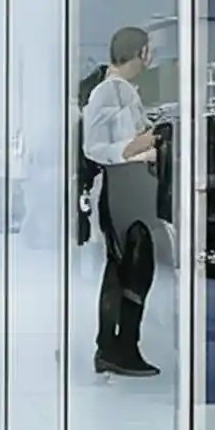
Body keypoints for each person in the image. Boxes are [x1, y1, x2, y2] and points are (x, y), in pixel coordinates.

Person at [82, 26, 161, 377]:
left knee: (132, 267)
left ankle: (121, 345)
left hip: (131, 187)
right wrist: (135, 147)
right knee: (126, 268)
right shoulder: (108, 92)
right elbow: (95, 146)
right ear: (140, 52)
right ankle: (116, 346)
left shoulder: (123, 91)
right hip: (120, 188)